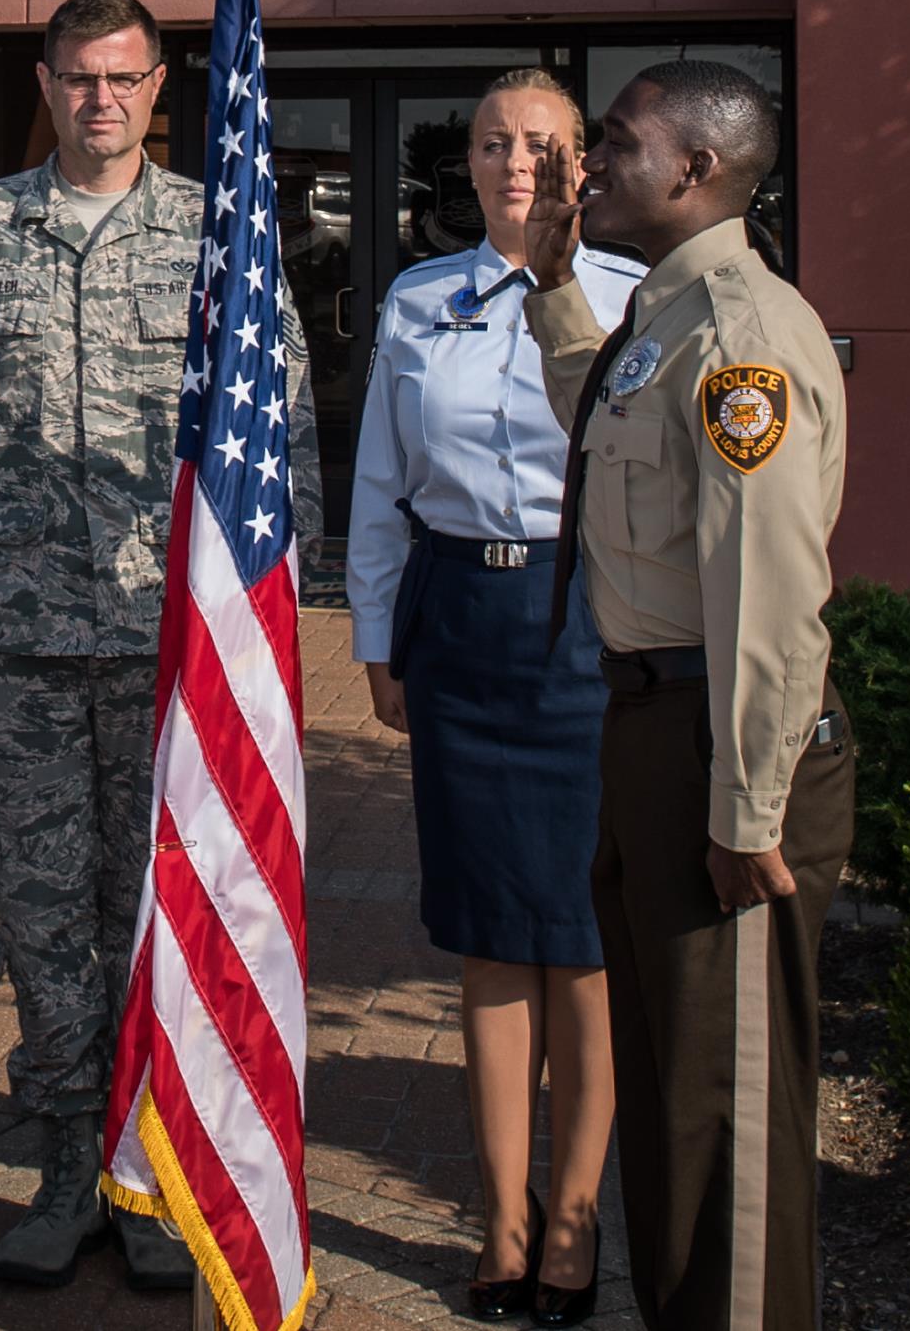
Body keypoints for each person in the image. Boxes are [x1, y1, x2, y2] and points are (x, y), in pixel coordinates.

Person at [0, 0, 320, 1292]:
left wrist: (274, 614)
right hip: (27, 647)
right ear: (43, 82)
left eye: (125, 77)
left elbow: (285, 426)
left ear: (160, 87)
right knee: (41, 922)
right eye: (79, 77)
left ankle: (149, 1175)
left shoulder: (217, 233)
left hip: (173, 659)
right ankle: (58, 1165)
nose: (102, 99)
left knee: (154, 916)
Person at [523, 62, 854, 1331]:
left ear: (697, 170)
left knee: (727, 1122)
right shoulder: (661, 317)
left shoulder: (739, 337)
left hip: (721, 739)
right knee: (670, 1095)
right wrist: (554, 287)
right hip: (656, 732)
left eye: (615, 141)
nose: (587, 164)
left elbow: (767, 601)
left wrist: (747, 809)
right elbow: (600, 439)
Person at [345, 70, 640, 1325]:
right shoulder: (419, 300)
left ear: (582, 165)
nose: (513, 161)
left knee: (580, 935)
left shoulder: (640, 299)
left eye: (539, 143)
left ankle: (573, 1220)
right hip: (459, 623)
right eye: (489, 142)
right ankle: (503, 1217)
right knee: (487, 932)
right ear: (463, 165)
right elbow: (377, 483)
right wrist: (375, 635)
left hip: (590, 624)